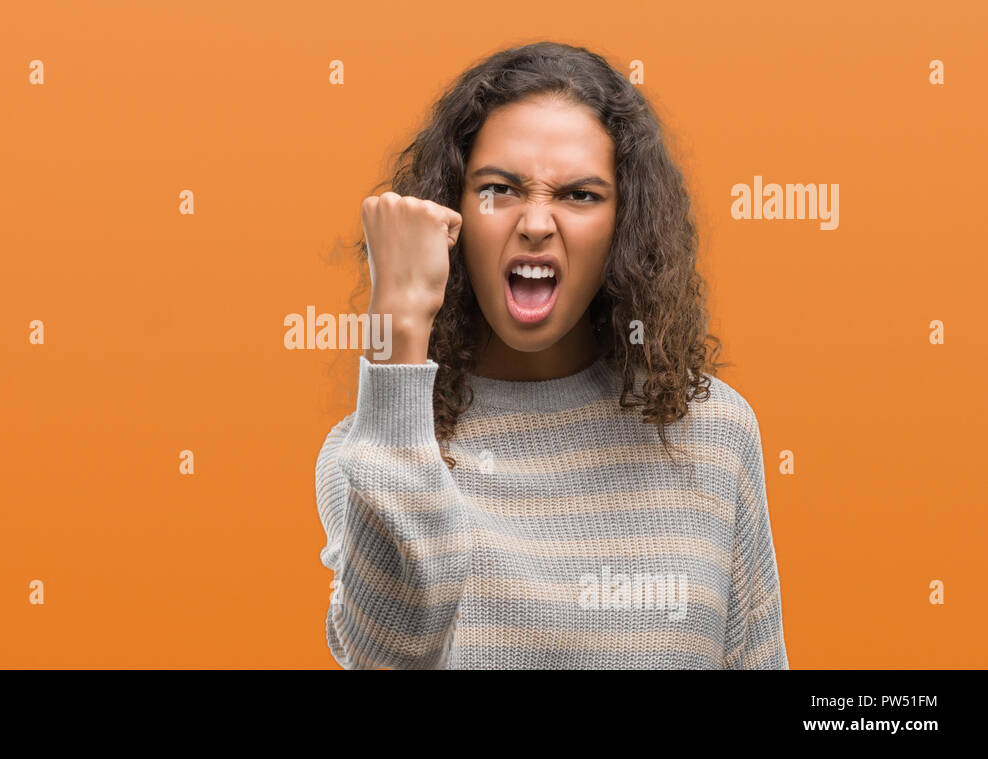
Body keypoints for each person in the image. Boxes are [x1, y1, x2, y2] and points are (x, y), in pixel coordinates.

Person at [315, 41, 788, 669]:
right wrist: (398, 325)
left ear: (627, 227)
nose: (537, 222)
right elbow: (387, 655)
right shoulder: (374, 450)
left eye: (580, 195)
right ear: (453, 212)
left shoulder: (712, 434)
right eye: (499, 189)